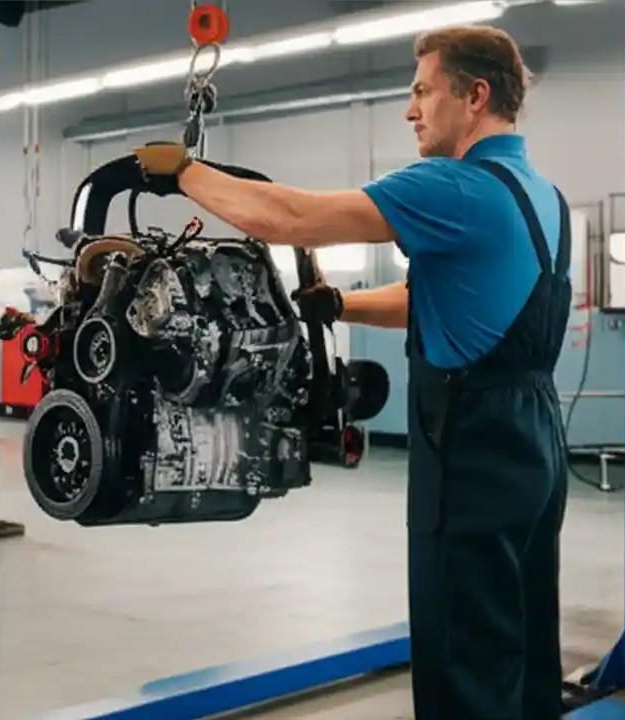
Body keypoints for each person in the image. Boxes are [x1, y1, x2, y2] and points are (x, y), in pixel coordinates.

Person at [130, 25, 570, 720]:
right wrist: (338, 304)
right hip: (535, 438)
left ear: (475, 96)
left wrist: (181, 173)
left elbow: (291, 217)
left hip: (472, 446)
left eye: (423, 91)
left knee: (462, 649)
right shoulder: (540, 195)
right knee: (518, 635)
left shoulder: (453, 187)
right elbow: (447, 303)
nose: (410, 109)